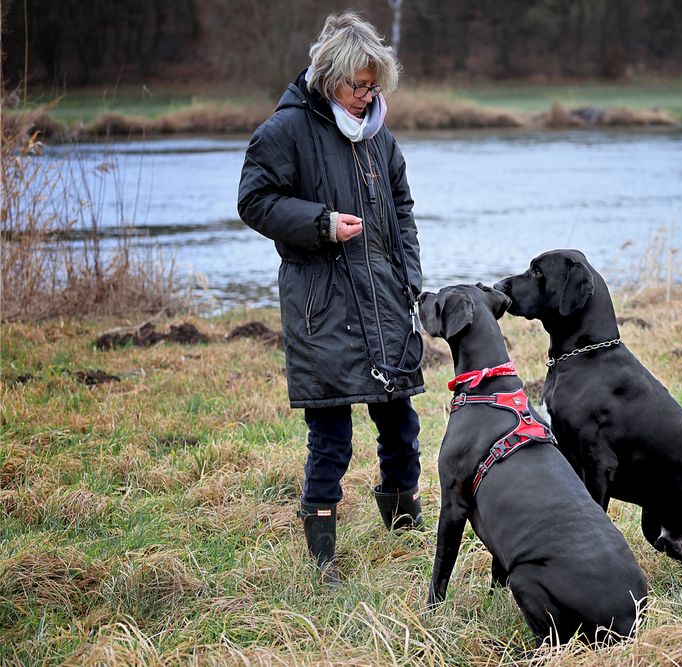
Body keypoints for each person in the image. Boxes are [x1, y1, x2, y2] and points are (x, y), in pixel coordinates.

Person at [237, 11, 424, 586]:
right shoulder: (285, 130)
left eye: (374, 87)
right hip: (322, 311)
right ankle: (322, 560)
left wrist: (410, 279)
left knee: (400, 426)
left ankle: (405, 533)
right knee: (331, 437)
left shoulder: (380, 139)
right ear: (328, 79)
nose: (367, 98)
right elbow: (254, 201)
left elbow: (404, 210)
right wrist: (320, 223)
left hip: (385, 303)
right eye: (358, 86)